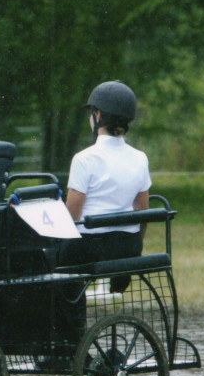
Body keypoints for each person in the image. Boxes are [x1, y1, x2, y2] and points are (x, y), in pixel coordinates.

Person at [58, 80, 151, 292]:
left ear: (98, 116)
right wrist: (135, 247)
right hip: (128, 246)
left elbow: (71, 216)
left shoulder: (84, 159)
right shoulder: (140, 158)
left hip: (89, 247)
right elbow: (142, 211)